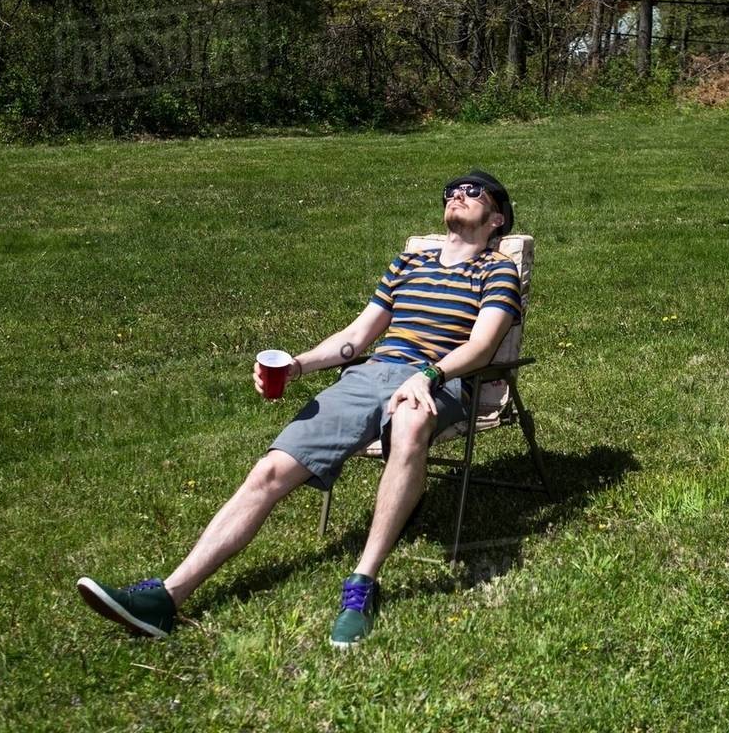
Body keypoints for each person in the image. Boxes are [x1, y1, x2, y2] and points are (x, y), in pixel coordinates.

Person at [76, 170, 522, 648]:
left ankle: (362, 585)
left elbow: (481, 345)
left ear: (496, 218)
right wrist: (297, 366)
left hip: (444, 380)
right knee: (270, 470)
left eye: (473, 190)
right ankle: (168, 595)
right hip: (370, 376)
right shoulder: (408, 263)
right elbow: (355, 337)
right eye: (451, 189)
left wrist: (429, 376)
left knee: (411, 421)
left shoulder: (497, 270)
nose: (458, 193)